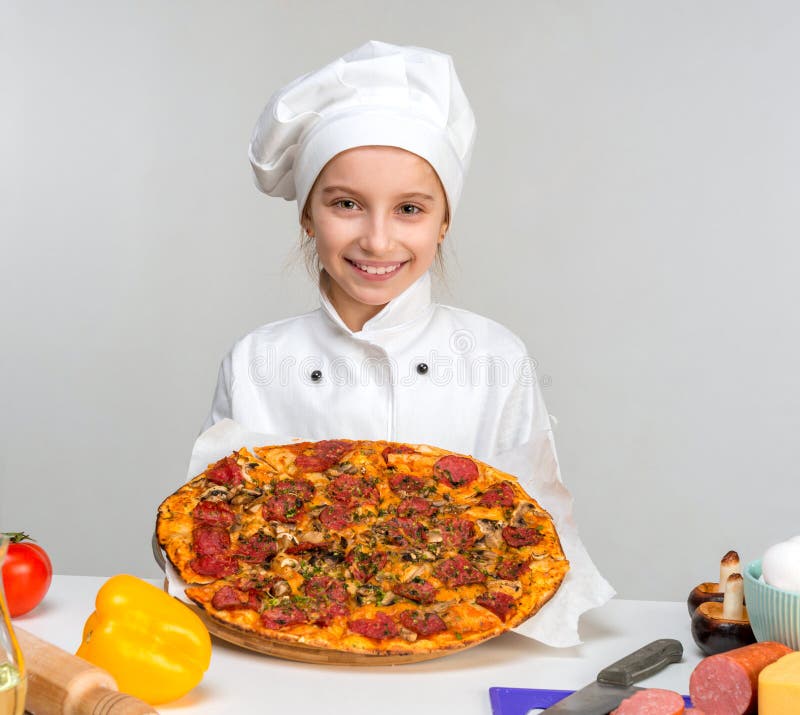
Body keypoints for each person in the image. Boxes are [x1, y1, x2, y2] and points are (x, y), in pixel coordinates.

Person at [202, 40, 550, 463]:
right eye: (347, 204)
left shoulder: (498, 359)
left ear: (443, 223)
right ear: (308, 215)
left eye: (409, 209)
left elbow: (530, 506)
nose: (378, 241)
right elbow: (214, 500)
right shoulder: (253, 363)